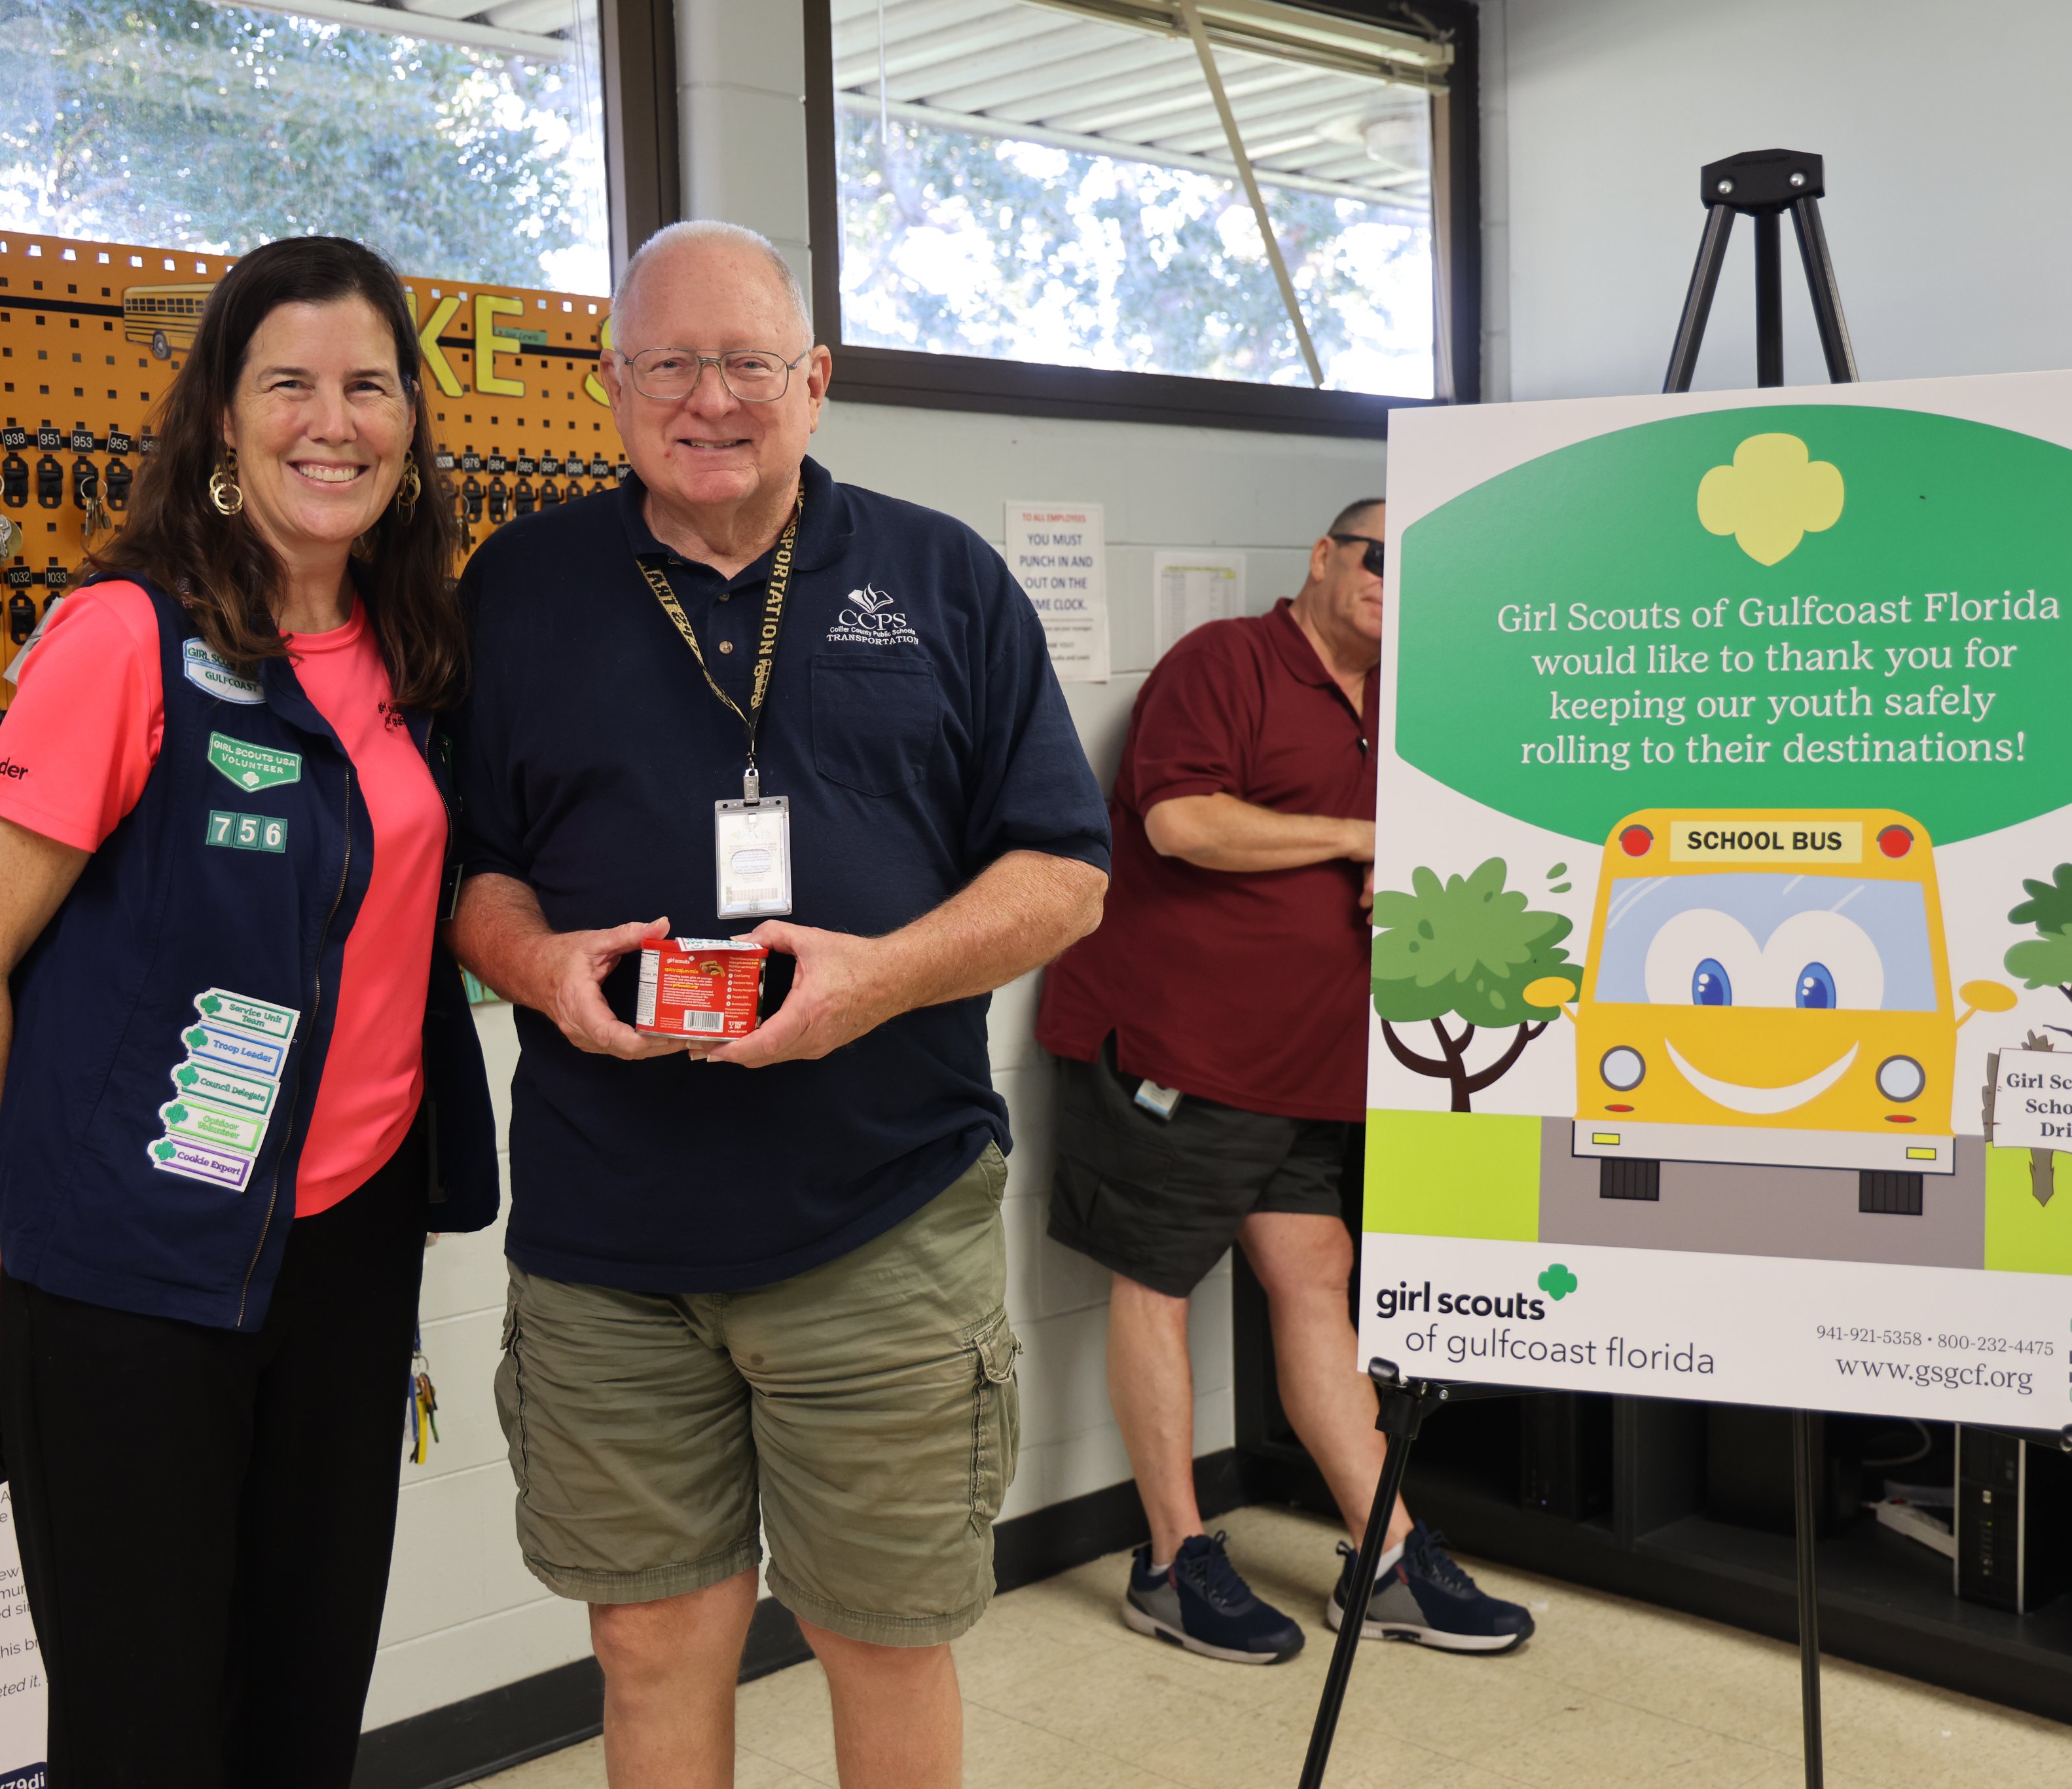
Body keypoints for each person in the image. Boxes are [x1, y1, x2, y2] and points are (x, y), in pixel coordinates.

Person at [443, 219, 1108, 1789]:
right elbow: (471, 868)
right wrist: (539, 968)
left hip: (880, 1214)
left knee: (883, 1633)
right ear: (610, 385)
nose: (709, 398)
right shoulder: (519, 587)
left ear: (814, 380)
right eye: (668, 362)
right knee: (648, 1641)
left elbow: (1065, 874)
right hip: (608, 1235)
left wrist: (878, 979)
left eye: (746, 361)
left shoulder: (943, 577)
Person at [0, 236, 498, 1787]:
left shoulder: (416, 646)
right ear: (222, 415)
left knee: (303, 1711)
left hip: (345, 1254)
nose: (332, 422)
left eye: (368, 387)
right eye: (289, 384)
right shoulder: (125, 637)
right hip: (130, 1267)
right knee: (145, 1735)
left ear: (410, 422)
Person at [1036, 501, 1535, 1664]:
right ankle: (1170, 1562)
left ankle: (1388, 1559)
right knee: (1158, 1283)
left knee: (1317, 1280)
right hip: (1176, 1049)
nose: (1392, 584)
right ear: (1323, 558)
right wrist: (1359, 839)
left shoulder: (1406, 703)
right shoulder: (1227, 662)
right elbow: (1181, 823)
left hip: (1312, 1063)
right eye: (1378, 557)